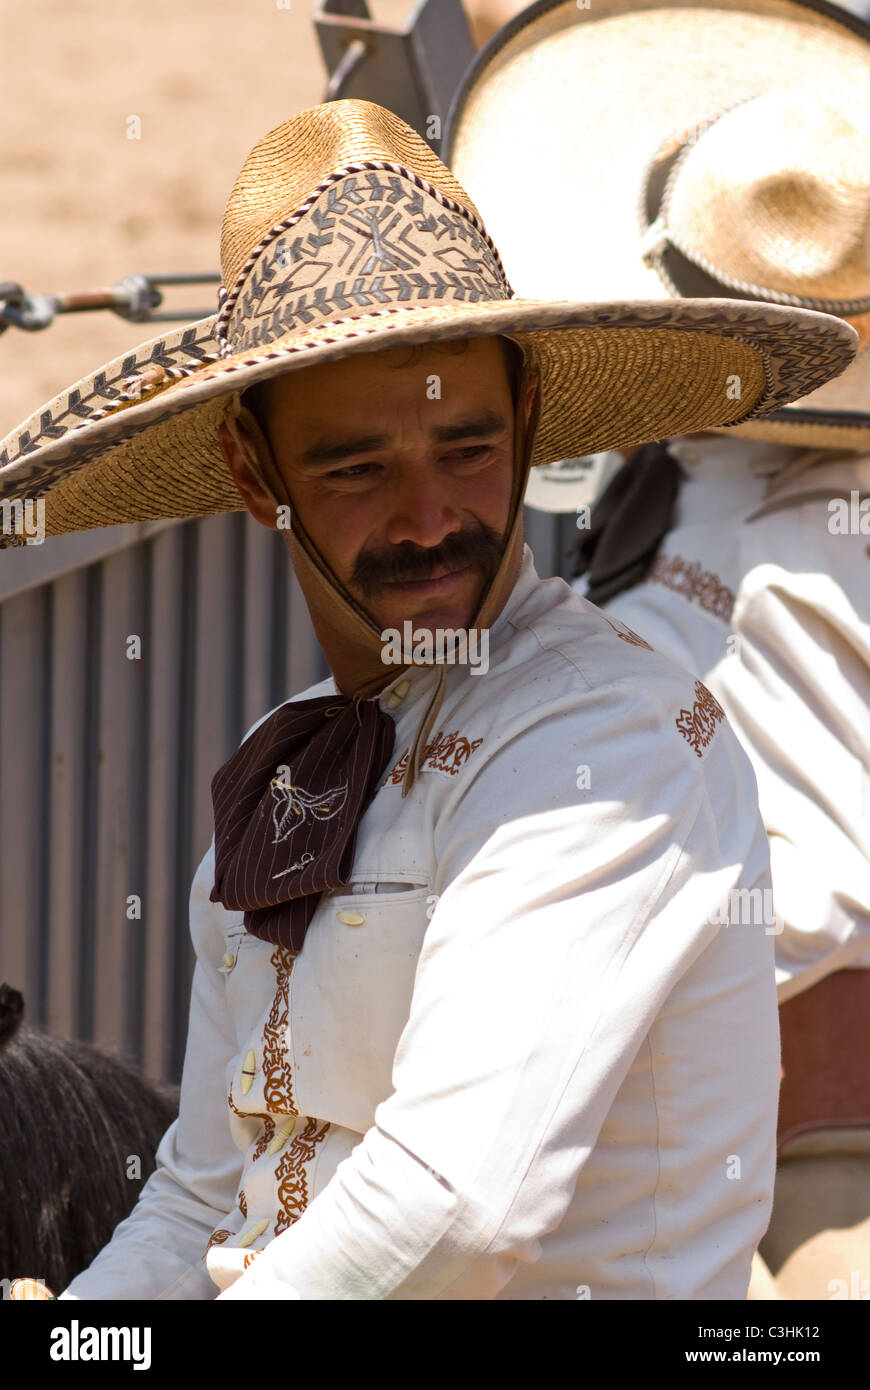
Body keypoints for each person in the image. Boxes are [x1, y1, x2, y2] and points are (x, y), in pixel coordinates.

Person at [0, 98, 855, 1299]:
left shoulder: (600, 736)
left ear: (529, 424)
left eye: (468, 449)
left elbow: (454, 1210)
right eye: (357, 469)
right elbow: (205, 1188)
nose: (429, 518)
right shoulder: (285, 761)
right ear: (257, 472)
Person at [445, 0, 870, 1299]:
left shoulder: (805, 540)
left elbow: (837, 872)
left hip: (798, 1105)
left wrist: (599, 927)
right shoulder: (733, 481)